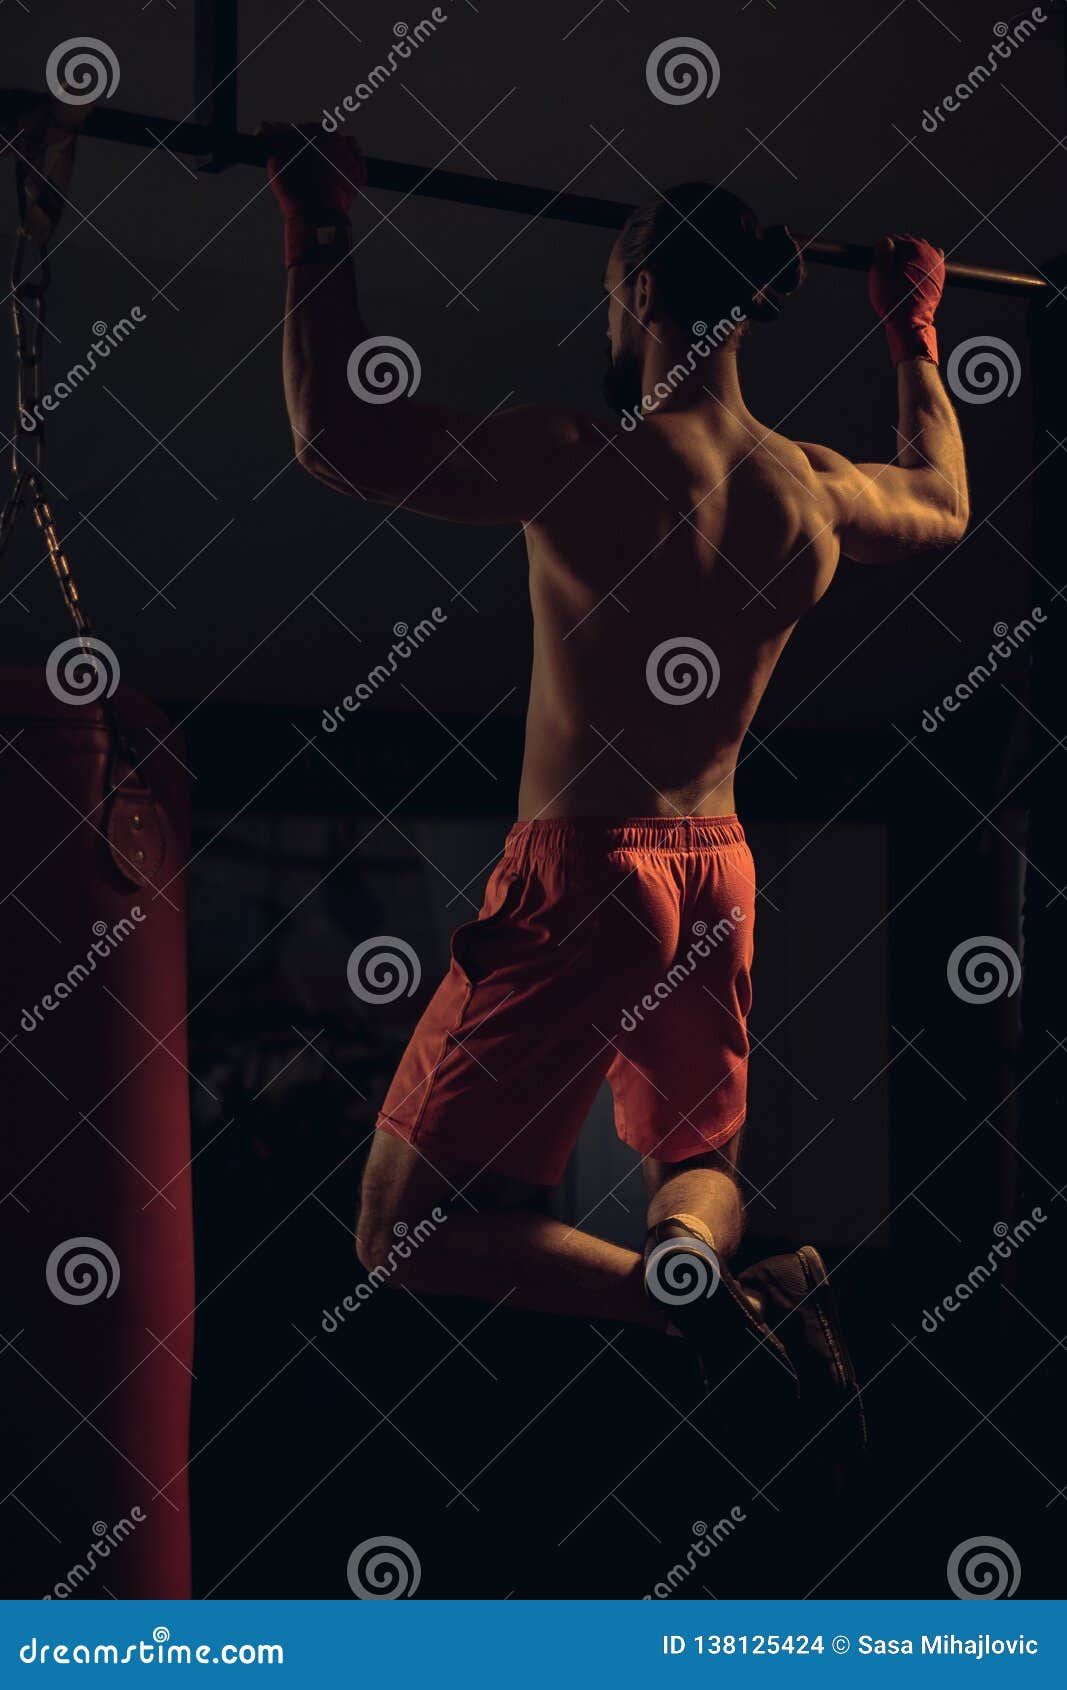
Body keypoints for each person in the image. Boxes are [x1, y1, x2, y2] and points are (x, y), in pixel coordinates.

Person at [265, 125, 967, 1439]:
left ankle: (696, 1305)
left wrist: (316, 218)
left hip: (583, 872)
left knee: (401, 1230)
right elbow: (940, 499)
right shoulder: (807, 491)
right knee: (695, 1161)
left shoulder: (577, 456)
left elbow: (334, 438)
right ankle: (749, 1277)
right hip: (715, 874)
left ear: (643, 294)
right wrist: (912, 328)